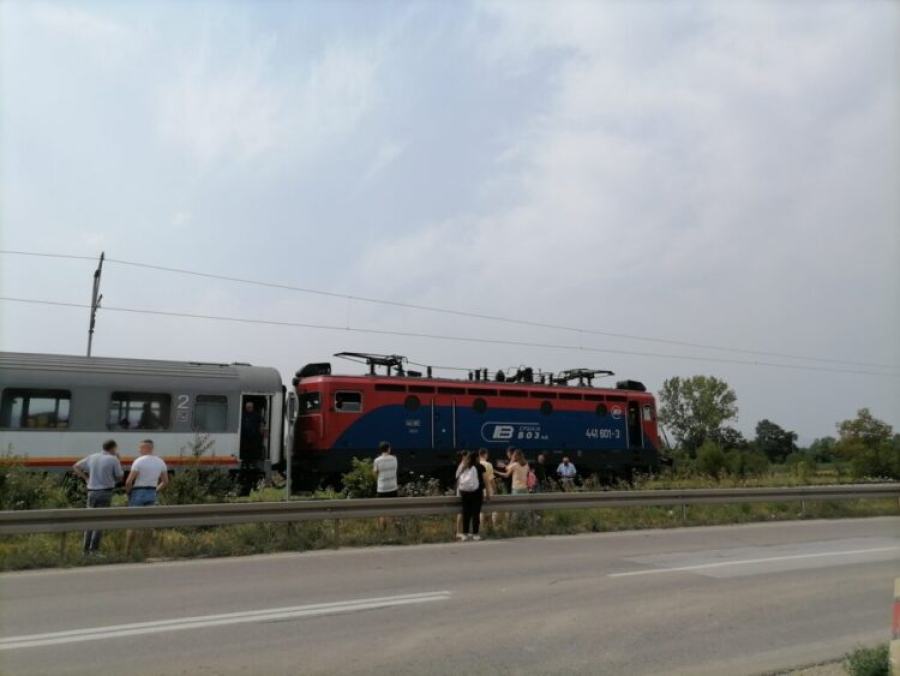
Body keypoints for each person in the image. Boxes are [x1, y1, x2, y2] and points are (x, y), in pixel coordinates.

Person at [72, 440, 123, 556]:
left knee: (89, 521)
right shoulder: (113, 459)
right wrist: (118, 462)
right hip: (105, 493)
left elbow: (75, 466)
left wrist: (86, 478)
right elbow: (120, 477)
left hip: (92, 493)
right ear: (113, 448)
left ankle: (85, 551)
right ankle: (94, 550)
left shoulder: (92, 457)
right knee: (100, 522)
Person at [124, 439, 169, 554]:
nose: (139, 450)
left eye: (141, 448)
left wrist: (128, 493)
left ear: (146, 448)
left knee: (132, 523)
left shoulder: (139, 461)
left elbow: (129, 481)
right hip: (152, 492)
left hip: (138, 492)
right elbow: (165, 482)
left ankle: (127, 551)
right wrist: (155, 491)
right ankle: (146, 550)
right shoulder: (160, 462)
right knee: (149, 524)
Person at [455, 450, 486, 541]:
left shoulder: (464, 466)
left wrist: (459, 490)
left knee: (466, 513)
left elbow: (458, 478)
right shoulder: (480, 467)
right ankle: (475, 534)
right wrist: (487, 493)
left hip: (465, 492)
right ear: (477, 458)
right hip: (477, 492)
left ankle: (465, 534)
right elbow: (486, 481)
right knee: (476, 513)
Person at [373, 441, 398, 531]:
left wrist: (379, 481)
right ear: (388, 449)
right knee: (394, 509)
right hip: (393, 487)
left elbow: (375, 473)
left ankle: (383, 529)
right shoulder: (394, 459)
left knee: (381, 510)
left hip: (382, 488)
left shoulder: (377, 460)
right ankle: (395, 528)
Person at [478, 448, 498, 530]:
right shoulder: (488, 465)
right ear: (485, 454)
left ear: (479, 455)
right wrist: (495, 489)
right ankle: (494, 527)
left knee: (482, 510)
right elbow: (491, 479)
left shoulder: (476, 464)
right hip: (488, 489)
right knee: (494, 509)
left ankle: (482, 528)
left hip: (479, 490)